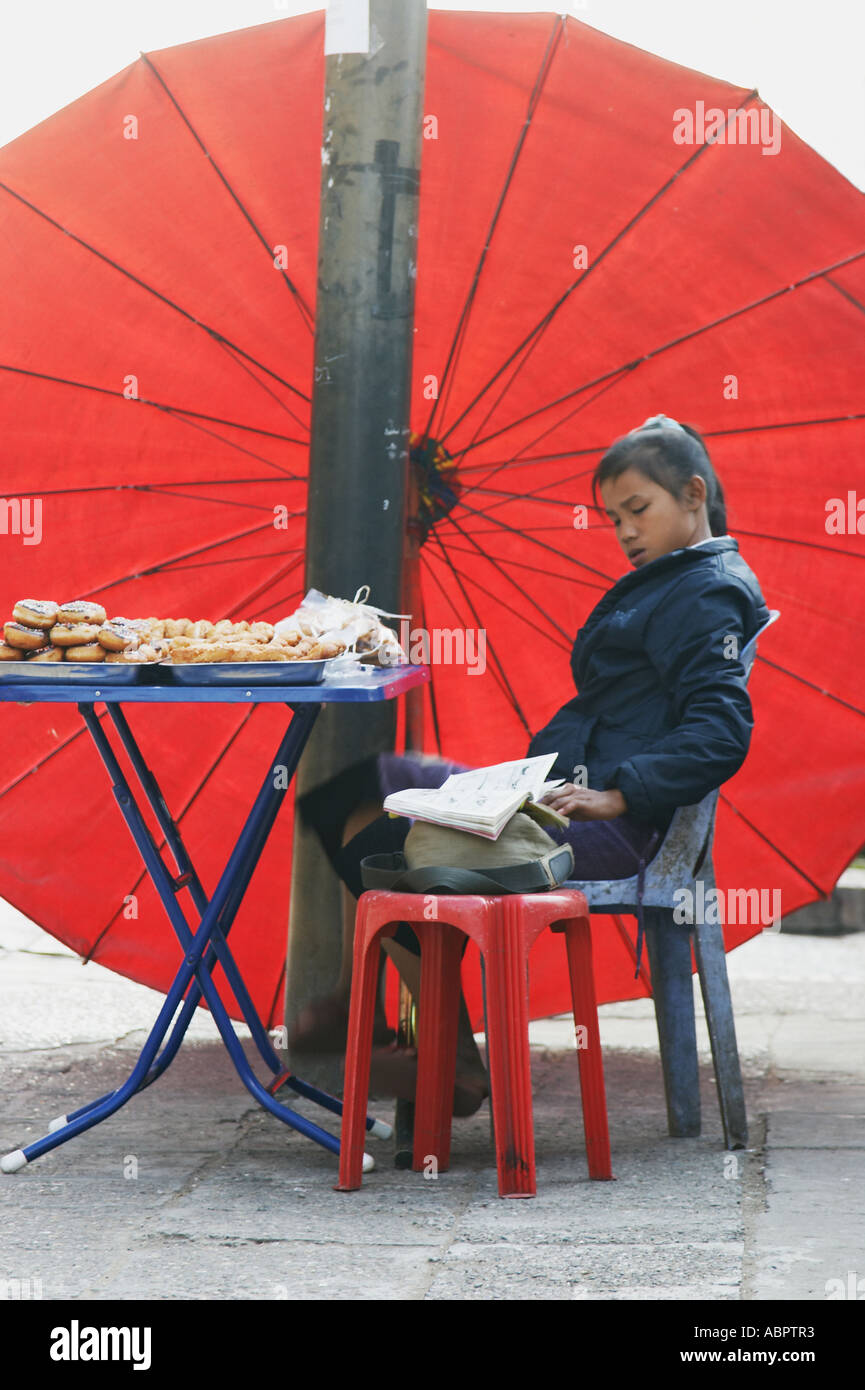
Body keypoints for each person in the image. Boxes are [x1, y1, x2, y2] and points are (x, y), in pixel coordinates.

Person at [293, 413, 771, 1112]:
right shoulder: (676, 580)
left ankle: (444, 1060)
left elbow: (721, 731)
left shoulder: (703, 594)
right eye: (613, 519)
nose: (626, 532)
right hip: (555, 792)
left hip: (617, 827)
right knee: (354, 792)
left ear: (693, 495)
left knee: (384, 845)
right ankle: (381, 1015)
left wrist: (618, 796)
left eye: (637, 510)